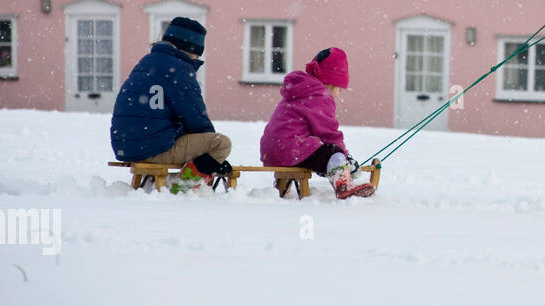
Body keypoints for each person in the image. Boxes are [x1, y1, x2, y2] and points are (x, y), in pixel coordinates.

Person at [111, 17, 233, 192]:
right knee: (221, 143)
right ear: (191, 50)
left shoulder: (146, 62)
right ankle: (179, 188)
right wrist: (211, 159)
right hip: (152, 147)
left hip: (125, 145)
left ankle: (162, 183)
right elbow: (196, 119)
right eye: (197, 54)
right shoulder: (179, 69)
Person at [260, 47, 375, 200]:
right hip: (291, 150)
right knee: (332, 152)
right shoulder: (320, 95)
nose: (338, 95)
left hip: (271, 151)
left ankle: (282, 185)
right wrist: (345, 158)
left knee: (316, 149)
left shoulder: (300, 89)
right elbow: (329, 134)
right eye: (340, 90)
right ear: (332, 84)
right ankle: (343, 185)